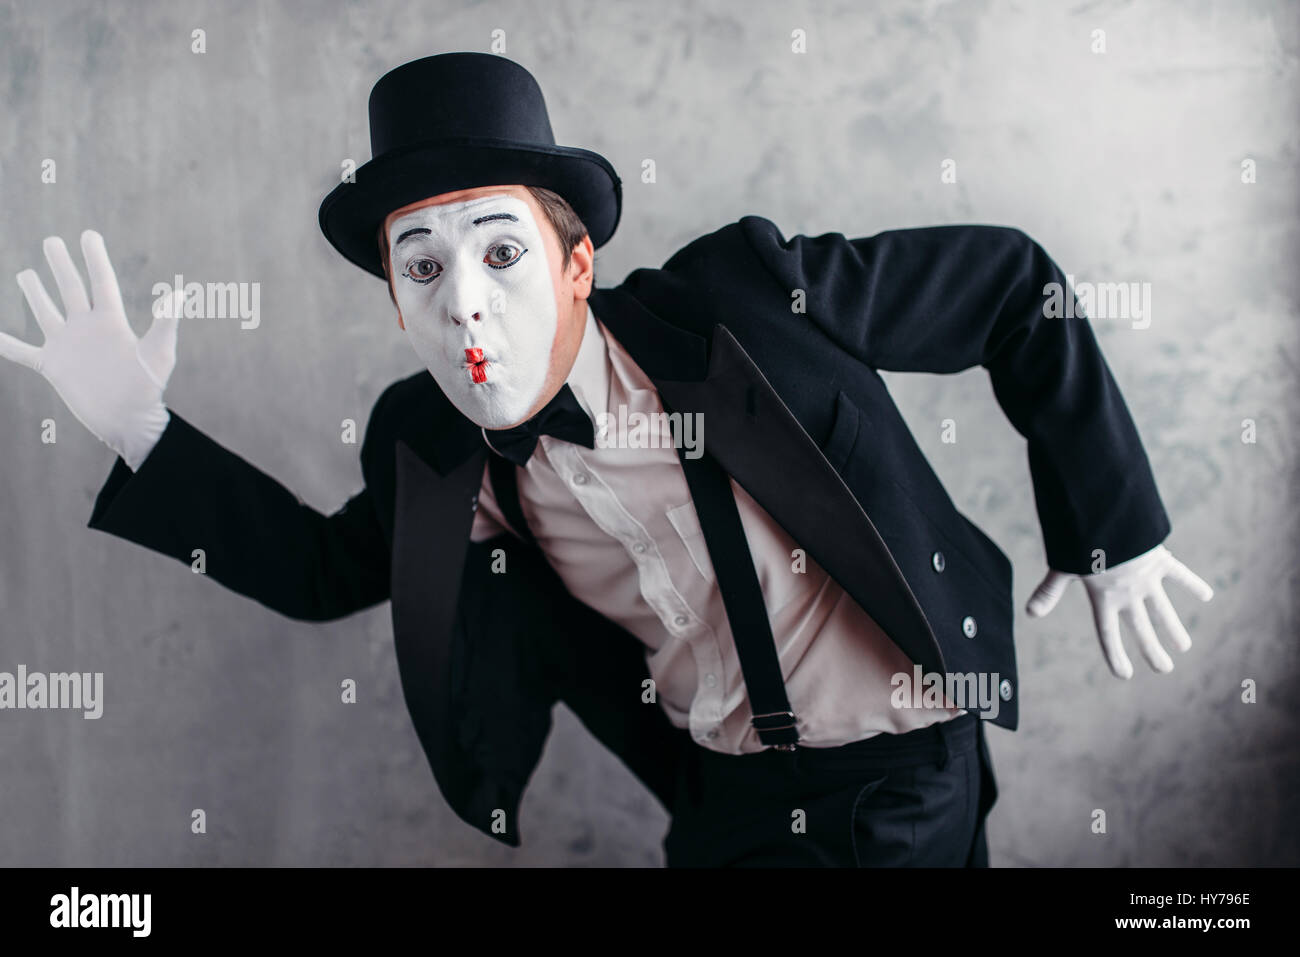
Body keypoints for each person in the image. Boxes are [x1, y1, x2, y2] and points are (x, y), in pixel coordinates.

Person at [1, 52, 1213, 867]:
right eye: (420, 269)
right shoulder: (427, 447)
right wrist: (136, 428)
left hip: (903, 780)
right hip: (720, 808)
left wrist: (1112, 525)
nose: (463, 305)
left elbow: (1012, 288)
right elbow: (324, 570)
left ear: (576, 266)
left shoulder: (744, 301)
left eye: (499, 254)